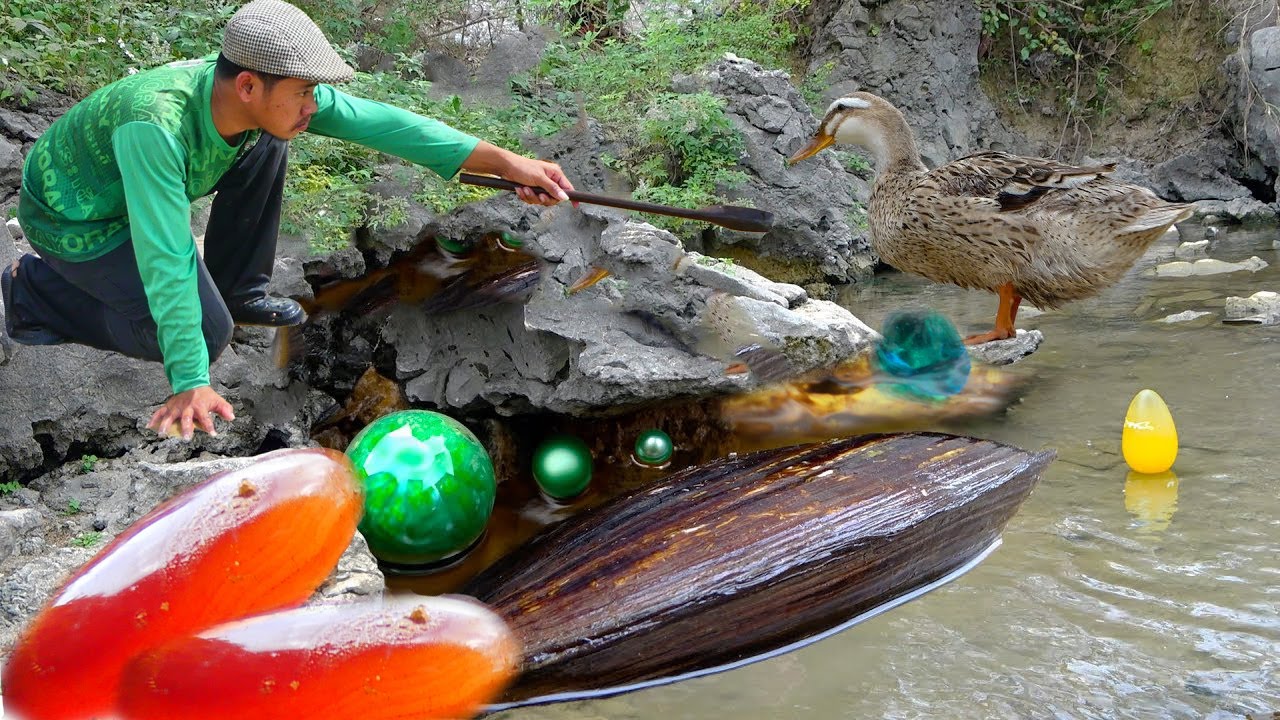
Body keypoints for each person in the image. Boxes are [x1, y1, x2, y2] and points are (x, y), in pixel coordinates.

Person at [0, 0, 575, 440]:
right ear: (248, 84)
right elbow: (165, 254)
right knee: (206, 333)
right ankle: (34, 296)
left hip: (133, 198)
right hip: (79, 221)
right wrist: (190, 380)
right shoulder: (156, 125)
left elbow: (391, 125)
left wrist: (508, 162)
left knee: (269, 142)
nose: (312, 105)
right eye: (304, 92)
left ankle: (237, 288)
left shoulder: (253, 100)